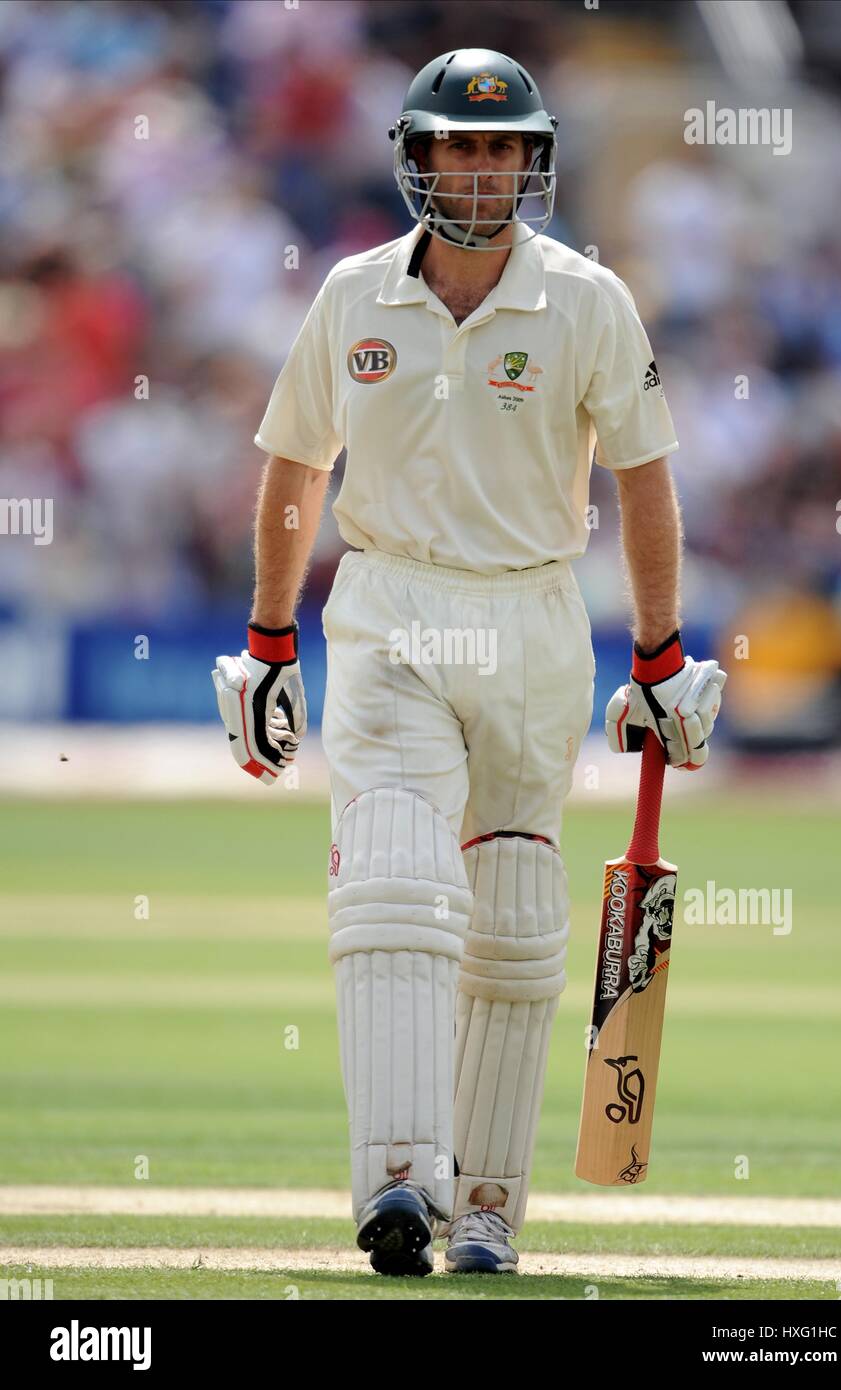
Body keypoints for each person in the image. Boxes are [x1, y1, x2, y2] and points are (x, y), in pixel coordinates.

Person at [211, 48, 726, 1277]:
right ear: (417, 157)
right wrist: (269, 639)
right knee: (390, 875)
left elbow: (641, 475)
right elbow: (295, 465)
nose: (482, 171)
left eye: (502, 149)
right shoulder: (350, 296)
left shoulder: (587, 298)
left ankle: (487, 1206)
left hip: (532, 619)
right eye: (459, 145)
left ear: (530, 163)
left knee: (507, 920)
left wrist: (657, 652)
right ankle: (397, 1179)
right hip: (388, 609)